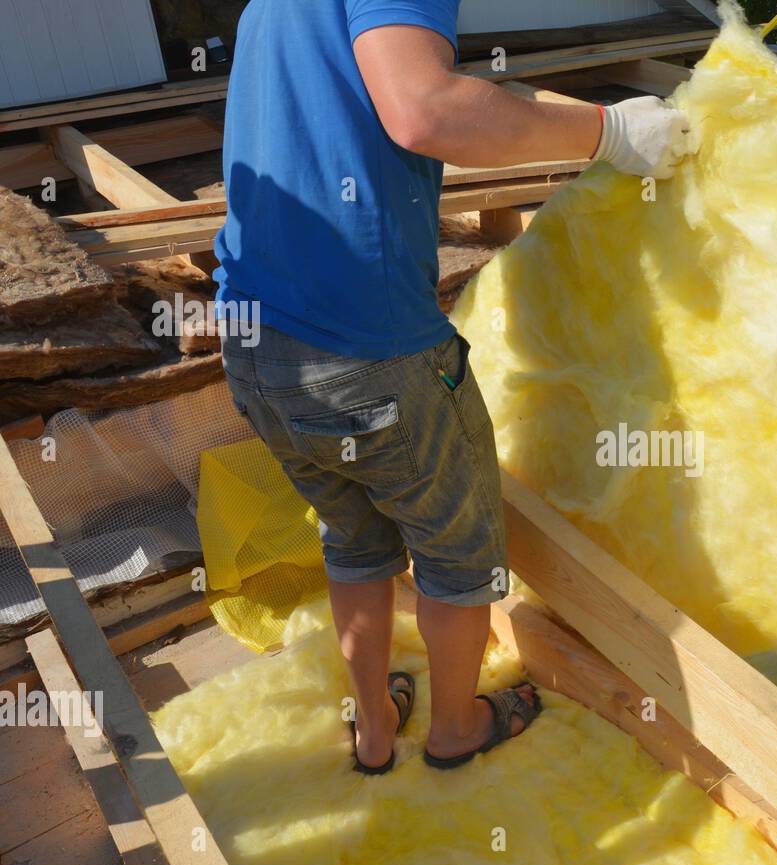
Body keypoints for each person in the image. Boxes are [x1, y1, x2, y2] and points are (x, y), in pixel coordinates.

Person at [214, 1, 689, 773]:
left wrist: (595, 121)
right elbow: (423, 109)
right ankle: (455, 728)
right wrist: (609, 134)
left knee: (354, 537)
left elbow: (400, 94)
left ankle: (373, 730)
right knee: (459, 554)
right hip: (367, 349)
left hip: (259, 347)